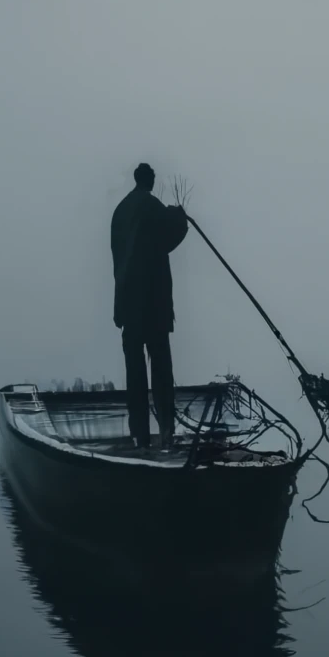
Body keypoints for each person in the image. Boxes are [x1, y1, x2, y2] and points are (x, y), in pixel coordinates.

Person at [110, 163, 189, 450]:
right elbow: (171, 236)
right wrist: (180, 216)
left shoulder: (119, 212)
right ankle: (166, 431)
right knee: (161, 371)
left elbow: (118, 259)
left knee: (135, 374)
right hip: (153, 306)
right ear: (150, 181)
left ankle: (139, 436)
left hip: (129, 306)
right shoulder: (154, 208)